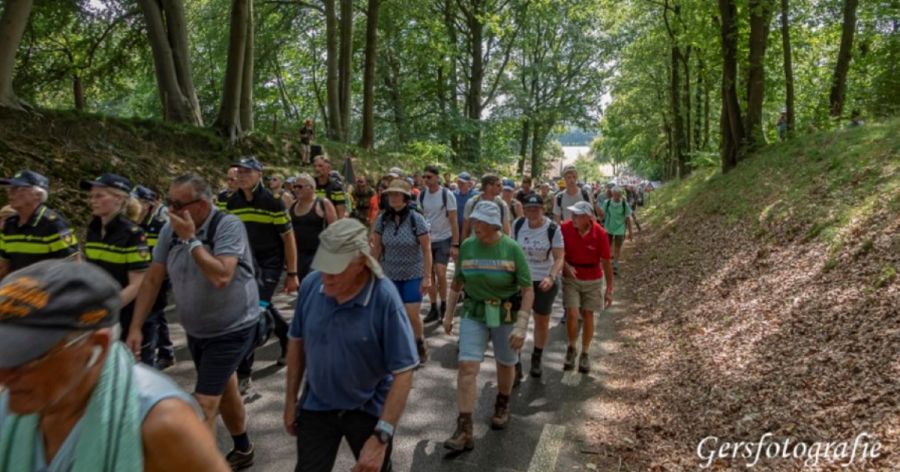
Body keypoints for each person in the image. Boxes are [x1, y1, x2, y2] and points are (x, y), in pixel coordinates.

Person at [0, 260, 231, 472]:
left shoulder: (163, 425)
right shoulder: (12, 405)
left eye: (27, 357)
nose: (5, 375)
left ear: (96, 347)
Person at [127, 174, 260, 470]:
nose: (169, 209)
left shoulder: (228, 226)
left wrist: (190, 239)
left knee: (204, 404)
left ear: (201, 205)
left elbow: (221, 276)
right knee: (226, 392)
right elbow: (152, 278)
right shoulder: (169, 229)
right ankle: (243, 448)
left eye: (176, 203)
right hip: (198, 329)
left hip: (234, 327)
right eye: (169, 201)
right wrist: (136, 326)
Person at [284, 218, 418, 472]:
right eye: (323, 267)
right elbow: (296, 342)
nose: (326, 277)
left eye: (335, 270)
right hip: (317, 405)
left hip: (368, 409)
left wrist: (382, 436)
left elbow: (404, 371)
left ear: (361, 263)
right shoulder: (313, 285)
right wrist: (290, 400)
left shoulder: (384, 298)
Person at [442, 201, 534, 450]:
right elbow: (457, 283)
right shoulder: (469, 246)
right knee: (467, 366)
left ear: (494, 225)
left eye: (480, 222)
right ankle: (464, 428)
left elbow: (527, 290)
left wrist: (521, 325)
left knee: (505, 362)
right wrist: (449, 315)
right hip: (474, 311)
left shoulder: (511, 249)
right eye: (473, 220)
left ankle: (502, 402)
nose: (474, 225)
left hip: (505, 313)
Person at [226, 156, 297, 385]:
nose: (242, 176)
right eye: (240, 172)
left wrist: (292, 273)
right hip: (242, 264)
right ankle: (286, 336)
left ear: (259, 174)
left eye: (248, 171)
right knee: (259, 306)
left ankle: (244, 373)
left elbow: (288, 238)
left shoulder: (273, 202)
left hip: (269, 264)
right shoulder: (230, 202)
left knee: (253, 311)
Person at [80, 173, 150, 345]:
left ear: (118, 199)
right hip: (94, 312)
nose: (92, 201)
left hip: (121, 316)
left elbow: (137, 284)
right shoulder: (93, 229)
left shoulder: (133, 234)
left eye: (99, 196)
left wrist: (107, 308)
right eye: (91, 196)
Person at [371, 179, 433, 362]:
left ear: (406, 198)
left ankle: (419, 342)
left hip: (413, 273)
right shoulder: (382, 220)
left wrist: (427, 277)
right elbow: (376, 248)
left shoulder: (416, 219)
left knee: (411, 311)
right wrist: (369, 271)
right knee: (391, 313)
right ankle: (396, 346)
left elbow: (426, 249)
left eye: (397, 194)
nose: (393, 197)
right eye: (390, 194)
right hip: (390, 274)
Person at [513, 194, 564, 378]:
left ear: (542, 210)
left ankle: (536, 356)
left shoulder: (552, 228)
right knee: (518, 321)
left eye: (536, 209)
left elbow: (559, 257)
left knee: (541, 321)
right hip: (521, 281)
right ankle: (515, 361)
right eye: (528, 209)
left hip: (544, 281)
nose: (532, 212)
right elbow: (512, 250)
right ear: (524, 210)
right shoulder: (518, 225)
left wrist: (551, 277)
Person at [560, 201, 614, 374]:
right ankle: (571, 347)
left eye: (577, 215)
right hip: (571, 277)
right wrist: (565, 266)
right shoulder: (565, 228)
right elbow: (557, 252)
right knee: (573, 313)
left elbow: (606, 262)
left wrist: (609, 289)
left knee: (588, 314)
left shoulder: (600, 234)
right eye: (573, 214)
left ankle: (584, 352)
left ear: (588, 217)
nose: (573, 218)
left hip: (593, 278)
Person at [0, 170, 80, 281]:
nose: (11, 192)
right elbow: (4, 265)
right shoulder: (10, 225)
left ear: (37, 195)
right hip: (16, 293)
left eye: (18, 189)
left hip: (46, 294)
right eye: (10, 188)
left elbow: (74, 265)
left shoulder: (53, 224)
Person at [131, 185, 175, 369]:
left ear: (151, 202)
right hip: (145, 274)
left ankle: (150, 361)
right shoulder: (137, 219)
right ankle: (166, 351)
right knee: (156, 313)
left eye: (139, 201)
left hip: (161, 275)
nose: (134, 205)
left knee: (152, 314)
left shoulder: (163, 220)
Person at [418, 165, 459, 324]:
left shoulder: (446, 194)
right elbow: (420, 217)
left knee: (440, 272)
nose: (426, 179)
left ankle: (444, 305)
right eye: (424, 177)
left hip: (444, 238)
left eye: (429, 177)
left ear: (437, 177)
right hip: (427, 239)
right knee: (430, 276)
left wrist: (455, 244)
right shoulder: (421, 196)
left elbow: (454, 220)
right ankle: (434, 307)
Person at [289, 173, 336, 283]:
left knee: (311, 283)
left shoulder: (323, 203)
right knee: (301, 286)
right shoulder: (292, 205)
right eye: (294, 187)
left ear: (311, 188)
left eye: (299, 186)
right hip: (298, 255)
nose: (296, 189)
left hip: (318, 254)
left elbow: (334, 229)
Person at [461, 174, 512, 239]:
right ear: (488, 186)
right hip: (475, 244)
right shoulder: (472, 202)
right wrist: (464, 246)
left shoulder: (502, 204)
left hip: (495, 245)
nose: (502, 188)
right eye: (498, 185)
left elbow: (506, 229)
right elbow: (465, 227)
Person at [596, 186, 633, 275]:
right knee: (607, 246)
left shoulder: (624, 204)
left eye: (618, 194)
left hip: (620, 229)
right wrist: (596, 208)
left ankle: (615, 264)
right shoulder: (607, 202)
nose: (617, 196)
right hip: (608, 228)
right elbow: (602, 215)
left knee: (617, 247)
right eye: (615, 194)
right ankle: (607, 263)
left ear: (621, 195)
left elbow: (628, 217)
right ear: (612, 194)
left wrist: (630, 232)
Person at [453, 172, 477, 237]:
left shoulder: (475, 195)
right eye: (459, 182)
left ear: (469, 183)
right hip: (457, 228)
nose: (460, 185)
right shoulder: (454, 194)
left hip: (471, 228)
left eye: (462, 183)